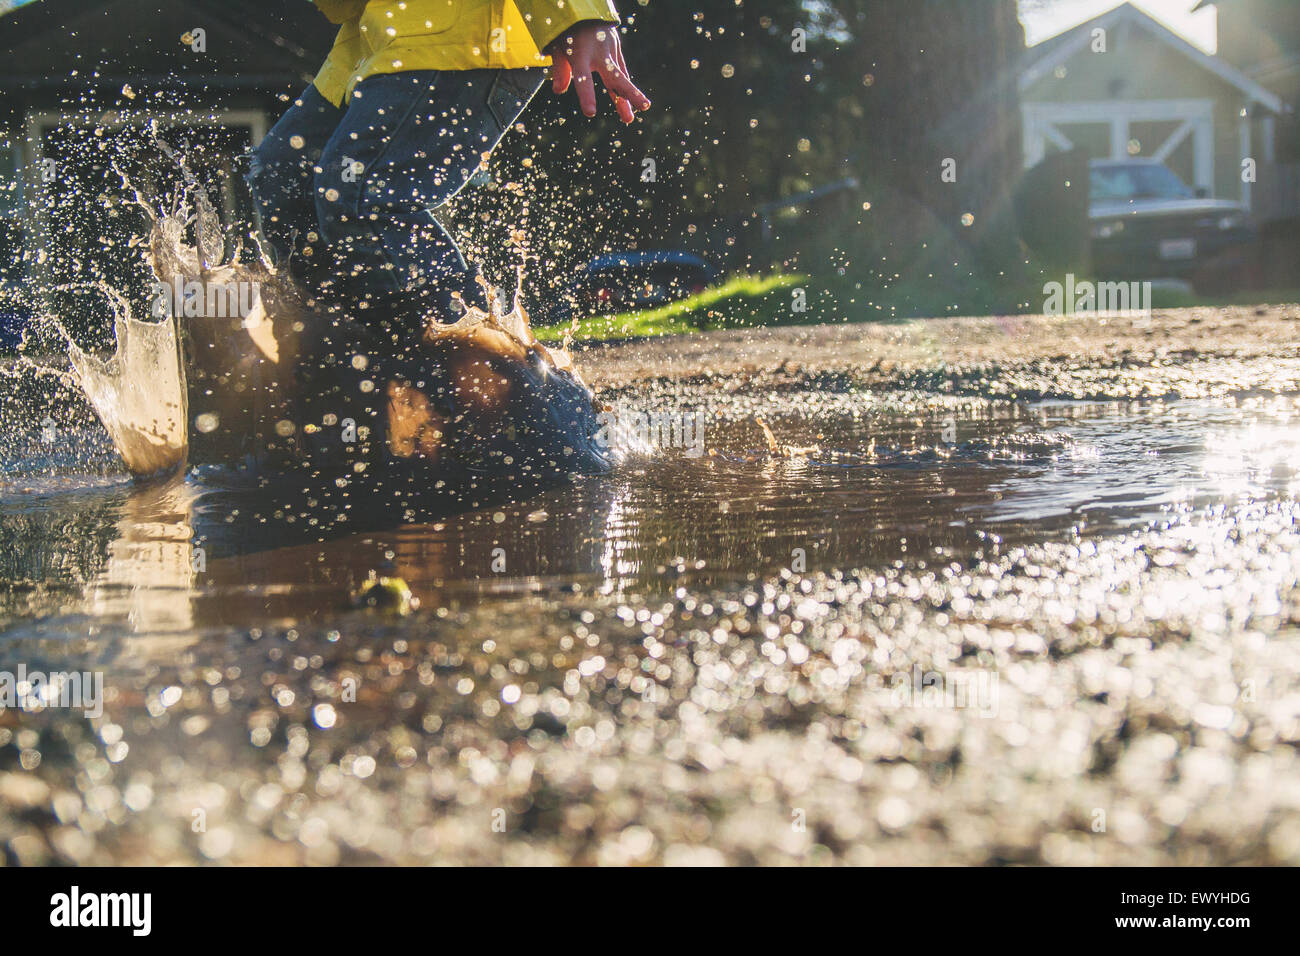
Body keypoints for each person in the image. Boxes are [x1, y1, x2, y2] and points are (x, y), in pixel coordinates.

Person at [246, 0, 650, 353]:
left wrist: (577, 14)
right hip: (378, 38)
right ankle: (341, 365)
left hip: (465, 31)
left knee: (363, 193)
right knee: (283, 175)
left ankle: (480, 382)